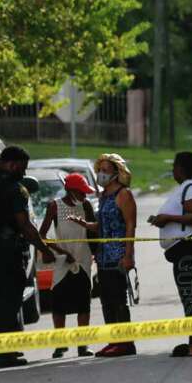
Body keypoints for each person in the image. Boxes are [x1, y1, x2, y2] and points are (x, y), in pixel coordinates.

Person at [0, 146, 74, 368]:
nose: (24, 172)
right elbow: (25, 226)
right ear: (13, 164)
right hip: (9, 254)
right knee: (8, 303)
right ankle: (4, 354)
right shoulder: (16, 189)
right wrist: (45, 250)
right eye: (23, 167)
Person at [148, 152, 192, 358]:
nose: (173, 171)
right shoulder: (190, 187)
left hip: (190, 247)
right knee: (190, 295)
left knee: (188, 295)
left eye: (175, 167)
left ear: (182, 168)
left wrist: (167, 217)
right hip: (188, 248)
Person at [67, 153, 136, 357]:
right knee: (106, 299)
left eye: (106, 170)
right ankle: (113, 340)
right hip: (103, 256)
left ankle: (125, 342)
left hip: (118, 255)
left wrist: (128, 255)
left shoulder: (124, 195)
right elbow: (102, 225)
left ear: (117, 173)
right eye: (100, 170)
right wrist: (85, 224)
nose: (101, 174)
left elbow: (130, 225)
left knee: (118, 299)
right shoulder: (104, 196)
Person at [40, 173, 98, 358]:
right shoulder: (55, 206)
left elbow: (95, 228)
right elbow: (42, 235)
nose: (84, 196)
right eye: (81, 193)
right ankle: (60, 343)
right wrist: (61, 252)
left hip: (83, 259)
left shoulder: (86, 205)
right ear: (71, 190)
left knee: (83, 304)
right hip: (62, 261)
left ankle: (83, 344)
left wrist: (95, 248)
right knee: (58, 305)